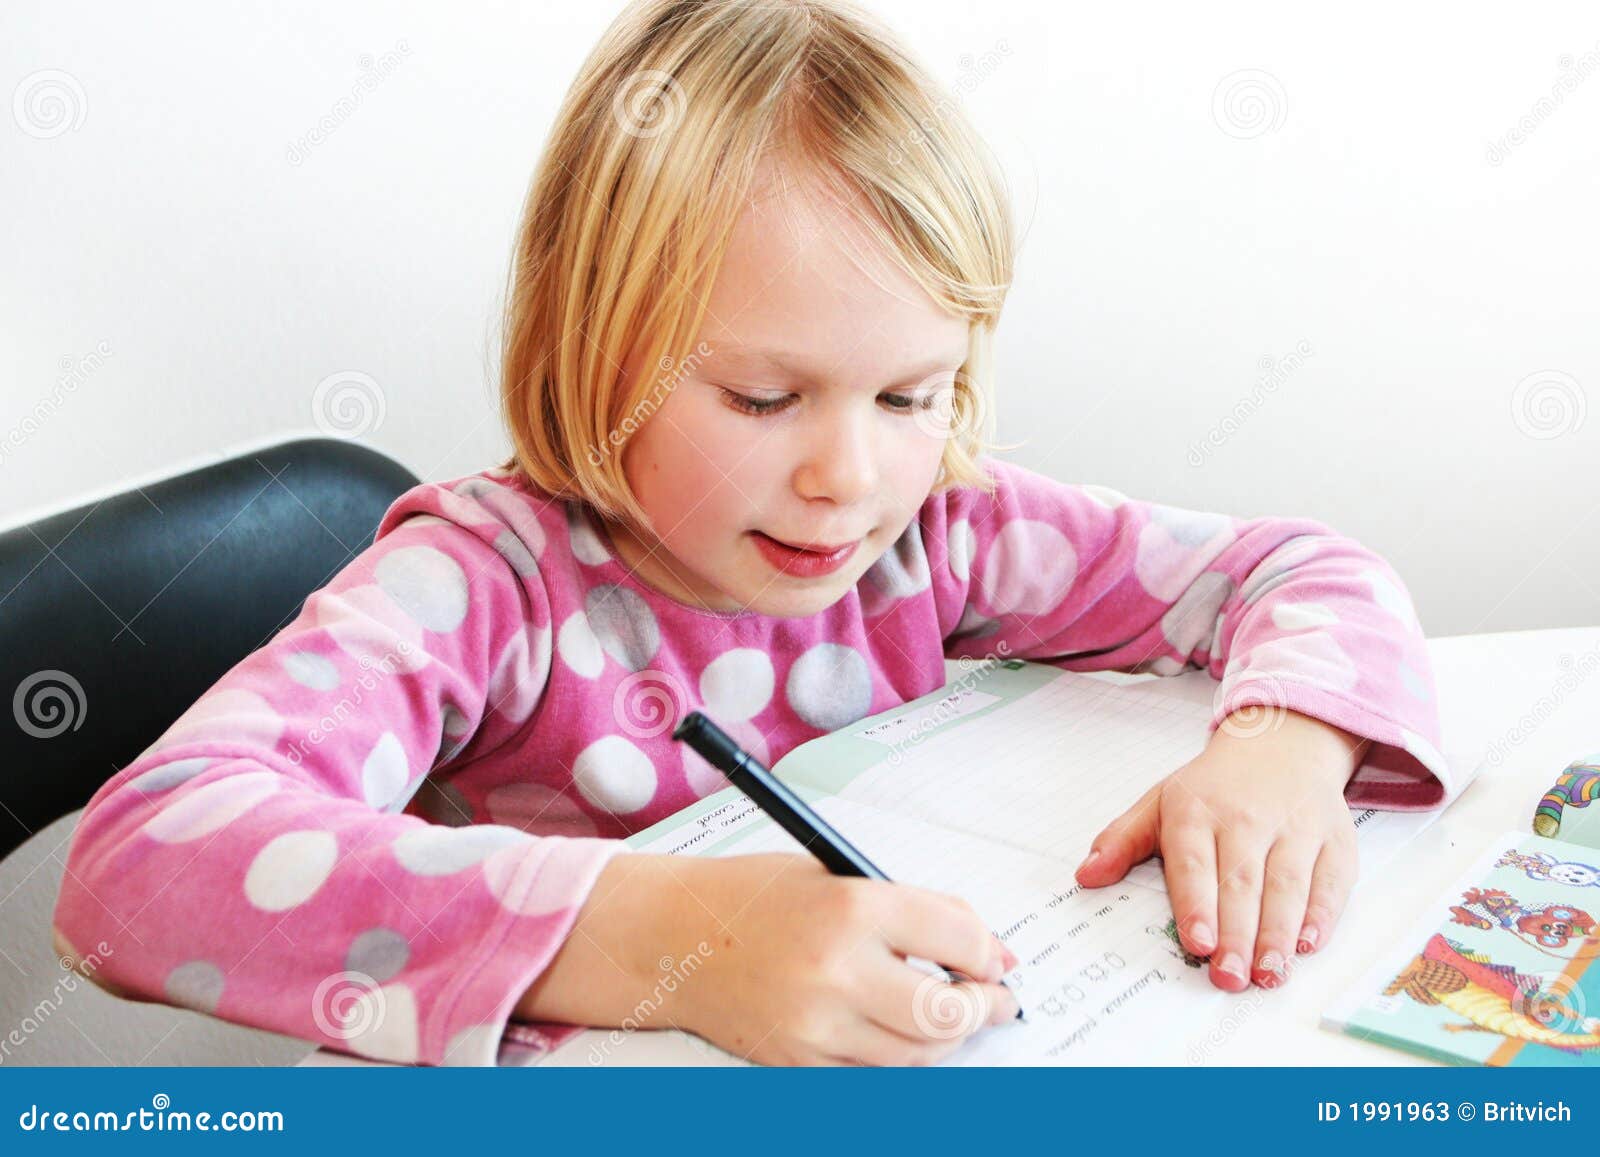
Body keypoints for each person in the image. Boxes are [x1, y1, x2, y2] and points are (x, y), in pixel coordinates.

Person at [53, 0, 1455, 1067]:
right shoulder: (483, 585)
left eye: (915, 391)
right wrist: (680, 935)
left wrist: (1283, 743)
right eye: (764, 395)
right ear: (596, 346)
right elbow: (140, 866)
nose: (851, 475)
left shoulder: (942, 531)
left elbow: (1302, 570)